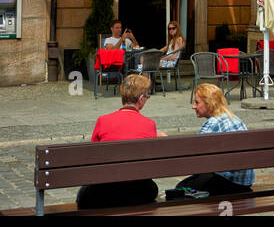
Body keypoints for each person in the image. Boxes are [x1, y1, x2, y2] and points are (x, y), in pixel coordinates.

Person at [77, 73, 166, 209]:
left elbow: (94, 155)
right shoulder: (149, 124)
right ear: (141, 98)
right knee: (151, 187)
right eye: (147, 97)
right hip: (139, 191)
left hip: (105, 190)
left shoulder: (103, 121)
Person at [173, 83, 254, 198]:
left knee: (180, 189)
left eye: (197, 102)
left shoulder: (213, 123)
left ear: (209, 104)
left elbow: (192, 155)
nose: (193, 106)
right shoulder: (235, 118)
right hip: (245, 181)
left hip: (229, 182)